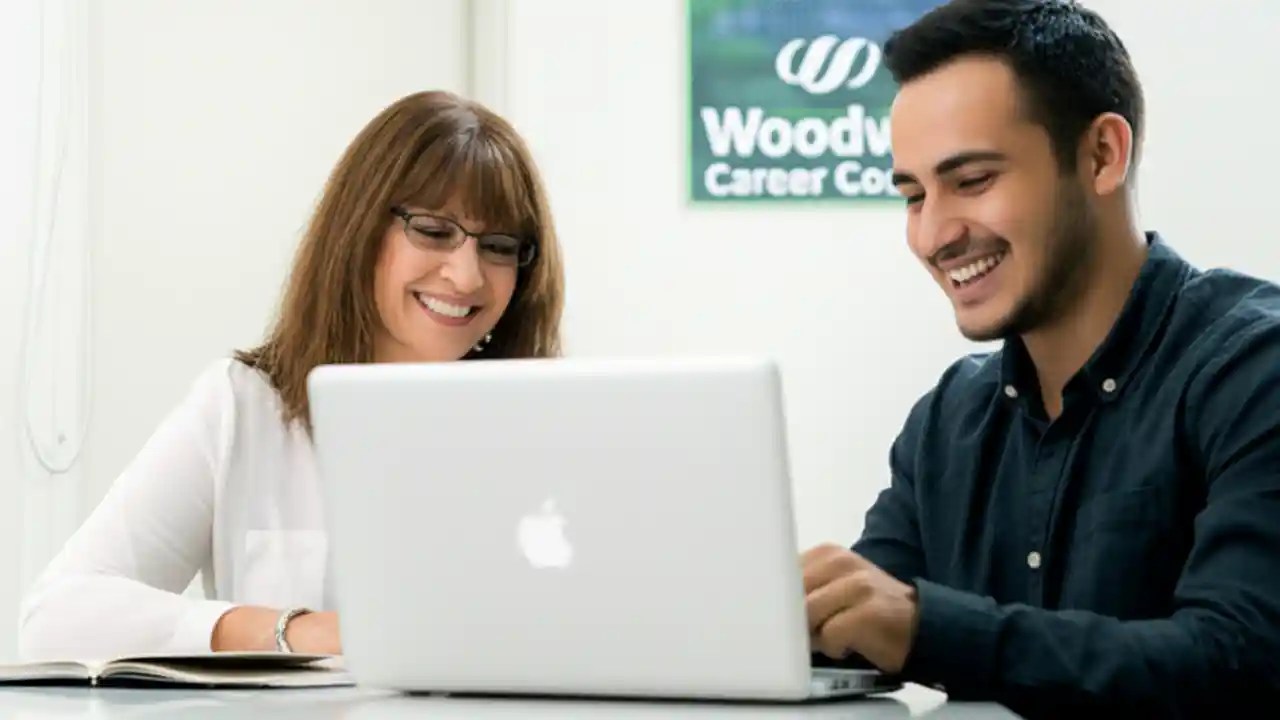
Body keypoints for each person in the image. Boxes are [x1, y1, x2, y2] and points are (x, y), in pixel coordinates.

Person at [800, 0, 1280, 717]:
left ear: (1101, 156)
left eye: (971, 182)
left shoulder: (1254, 369)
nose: (933, 234)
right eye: (912, 195)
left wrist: (927, 627)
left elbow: (1235, 659)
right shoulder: (947, 422)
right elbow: (865, 621)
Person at [18, 90, 565, 660]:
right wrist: (295, 631)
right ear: (360, 228)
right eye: (433, 230)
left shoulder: (548, 425)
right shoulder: (242, 407)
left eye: (500, 246)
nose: (467, 273)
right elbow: (56, 618)